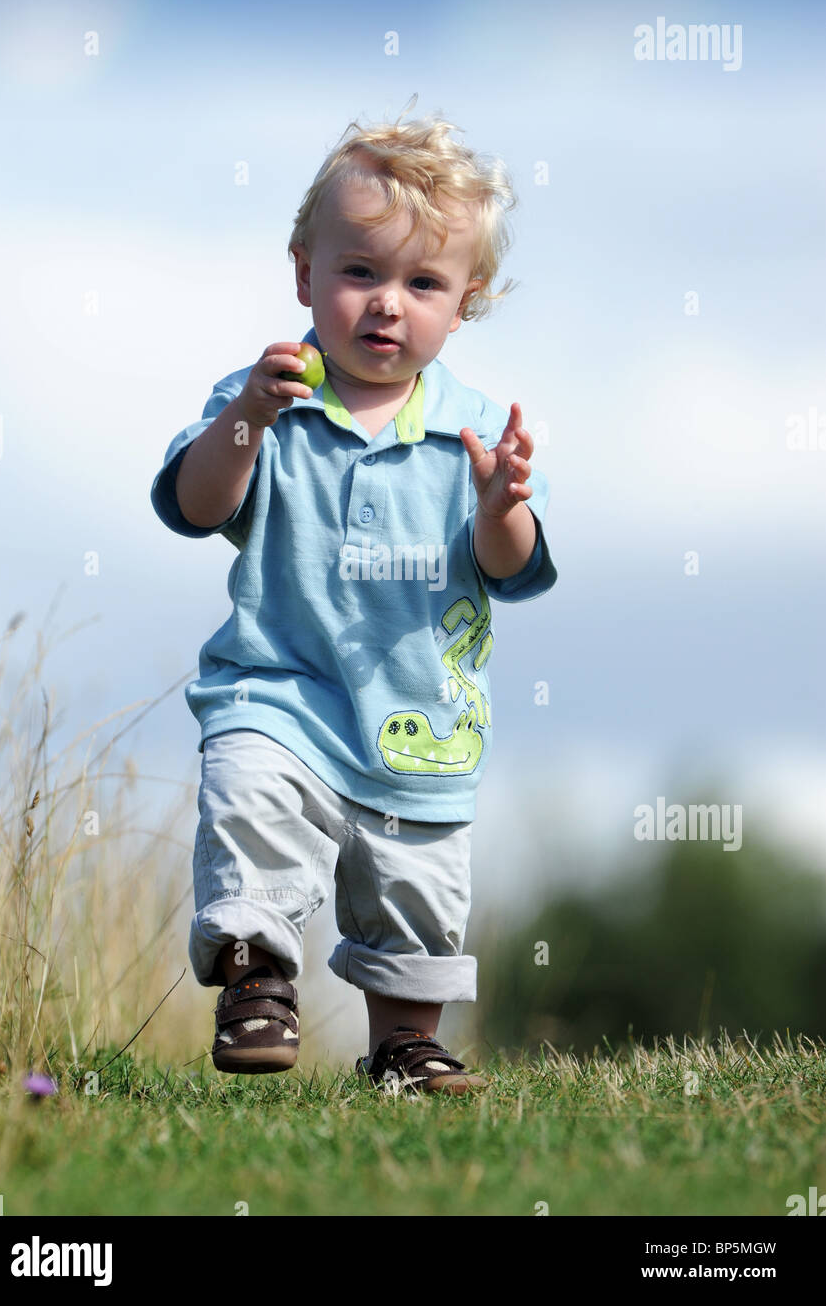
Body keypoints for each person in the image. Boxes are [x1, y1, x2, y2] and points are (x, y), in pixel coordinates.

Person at [150, 104, 557, 1095]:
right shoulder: (271, 397)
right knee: (250, 805)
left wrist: (501, 503)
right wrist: (246, 416)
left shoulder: (470, 430)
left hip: (417, 715)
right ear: (304, 273)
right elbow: (198, 505)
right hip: (278, 691)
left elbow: (508, 567)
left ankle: (404, 1044)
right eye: (360, 272)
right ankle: (256, 981)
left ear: (464, 303)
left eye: (423, 283)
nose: (387, 304)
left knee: (414, 885)